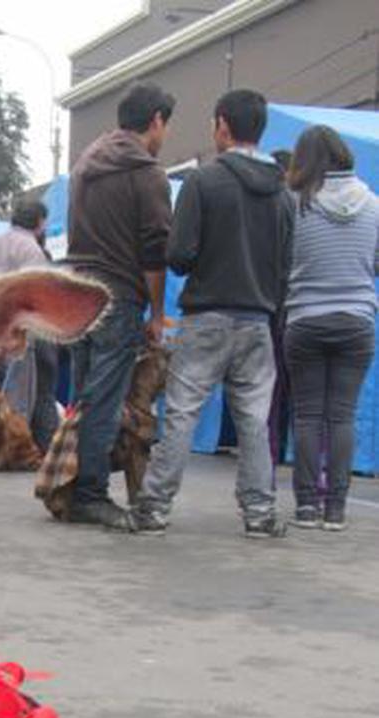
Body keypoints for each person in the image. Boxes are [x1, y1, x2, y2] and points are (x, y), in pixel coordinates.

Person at [134, 90, 294, 538]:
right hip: (258, 319)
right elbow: (286, 266)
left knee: (182, 413)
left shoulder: (204, 182)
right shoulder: (283, 195)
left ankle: (154, 508)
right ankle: (260, 513)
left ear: (222, 124)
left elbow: (180, 255)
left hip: (206, 315)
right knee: (253, 421)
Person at [65, 82, 174, 528]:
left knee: (82, 397)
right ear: (157, 121)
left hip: (75, 290)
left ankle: (68, 486)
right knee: (106, 401)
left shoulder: (86, 164)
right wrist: (156, 312)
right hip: (117, 293)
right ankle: (90, 494)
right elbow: (155, 252)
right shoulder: (148, 174)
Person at [283, 126, 377, 532]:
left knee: (306, 415)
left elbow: (282, 260)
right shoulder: (373, 205)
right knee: (342, 417)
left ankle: (306, 505)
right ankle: (335, 508)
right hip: (356, 320)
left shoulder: (295, 204)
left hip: (304, 318)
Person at [0, 200, 58, 445]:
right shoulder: (30, 249)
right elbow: (39, 293)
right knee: (35, 389)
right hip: (23, 331)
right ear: (40, 222)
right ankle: (37, 443)